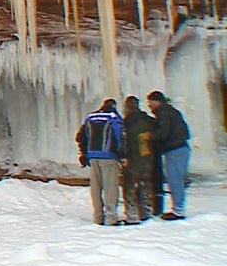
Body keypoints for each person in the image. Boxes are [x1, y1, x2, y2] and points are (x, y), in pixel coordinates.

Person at [76, 98, 126, 225]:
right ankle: (111, 217)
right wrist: (122, 155)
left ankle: (98, 216)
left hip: (93, 156)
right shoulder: (113, 117)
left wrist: (84, 154)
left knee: (96, 187)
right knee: (110, 187)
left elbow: (80, 136)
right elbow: (119, 136)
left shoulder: (90, 117)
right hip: (109, 156)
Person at [147, 90, 191, 220]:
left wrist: (149, 136)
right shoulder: (170, 111)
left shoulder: (164, 113)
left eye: (150, 103)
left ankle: (178, 211)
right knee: (175, 179)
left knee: (174, 180)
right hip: (180, 148)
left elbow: (163, 133)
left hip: (175, 150)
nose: (149, 106)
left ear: (157, 102)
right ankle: (178, 208)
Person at [120, 96, 157, 224]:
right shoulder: (149, 121)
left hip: (132, 158)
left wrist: (123, 156)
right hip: (147, 157)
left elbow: (123, 140)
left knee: (130, 186)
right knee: (145, 183)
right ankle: (146, 212)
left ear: (127, 107)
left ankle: (132, 215)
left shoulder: (126, 122)